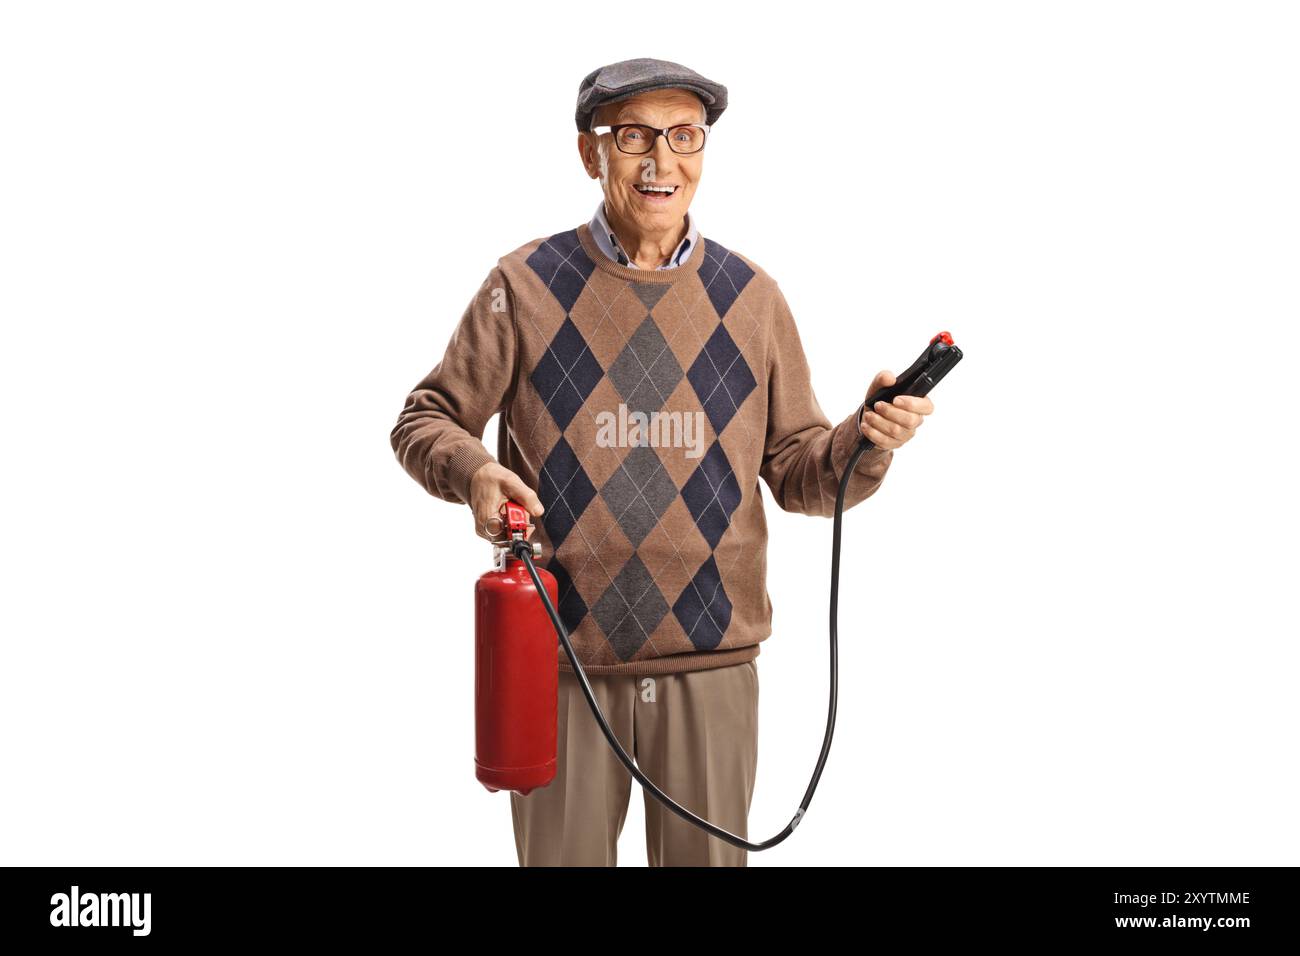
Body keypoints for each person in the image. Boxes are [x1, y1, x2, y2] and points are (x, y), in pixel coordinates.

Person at [389, 57, 935, 866]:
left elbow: (798, 472)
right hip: (562, 658)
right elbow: (424, 418)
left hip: (711, 665)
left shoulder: (753, 298)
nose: (660, 161)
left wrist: (868, 437)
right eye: (634, 135)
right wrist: (473, 472)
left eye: (685, 137)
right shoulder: (523, 286)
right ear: (591, 152)